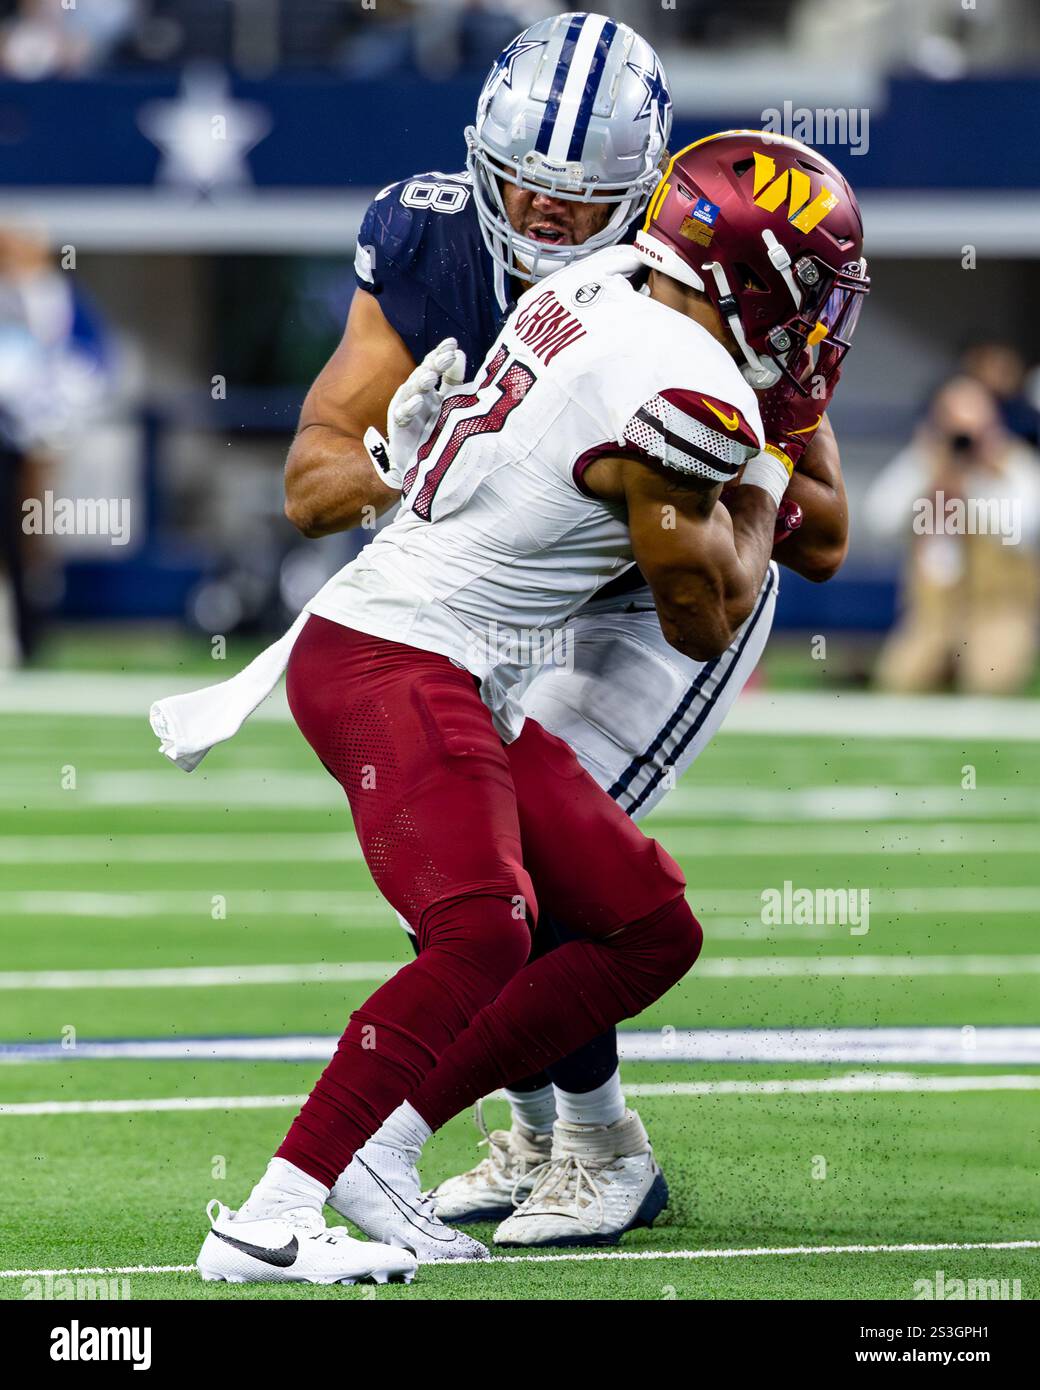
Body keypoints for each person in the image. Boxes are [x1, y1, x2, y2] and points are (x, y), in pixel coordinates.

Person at [170, 129, 867, 1285]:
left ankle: (388, 1147)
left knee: (647, 921)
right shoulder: (685, 390)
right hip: (403, 658)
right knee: (483, 927)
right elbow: (703, 616)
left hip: (424, 651)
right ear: (758, 272)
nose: (824, 318)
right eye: (815, 283)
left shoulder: (598, 280)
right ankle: (274, 1209)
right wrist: (761, 473)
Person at [867, 374, 1040, 695]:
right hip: (933, 615)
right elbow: (879, 518)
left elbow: (1021, 530)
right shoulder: (925, 462)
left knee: (987, 681)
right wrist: (926, 469)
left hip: (997, 612)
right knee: (900, 682)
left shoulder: (1015, 464)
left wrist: (975, 484)